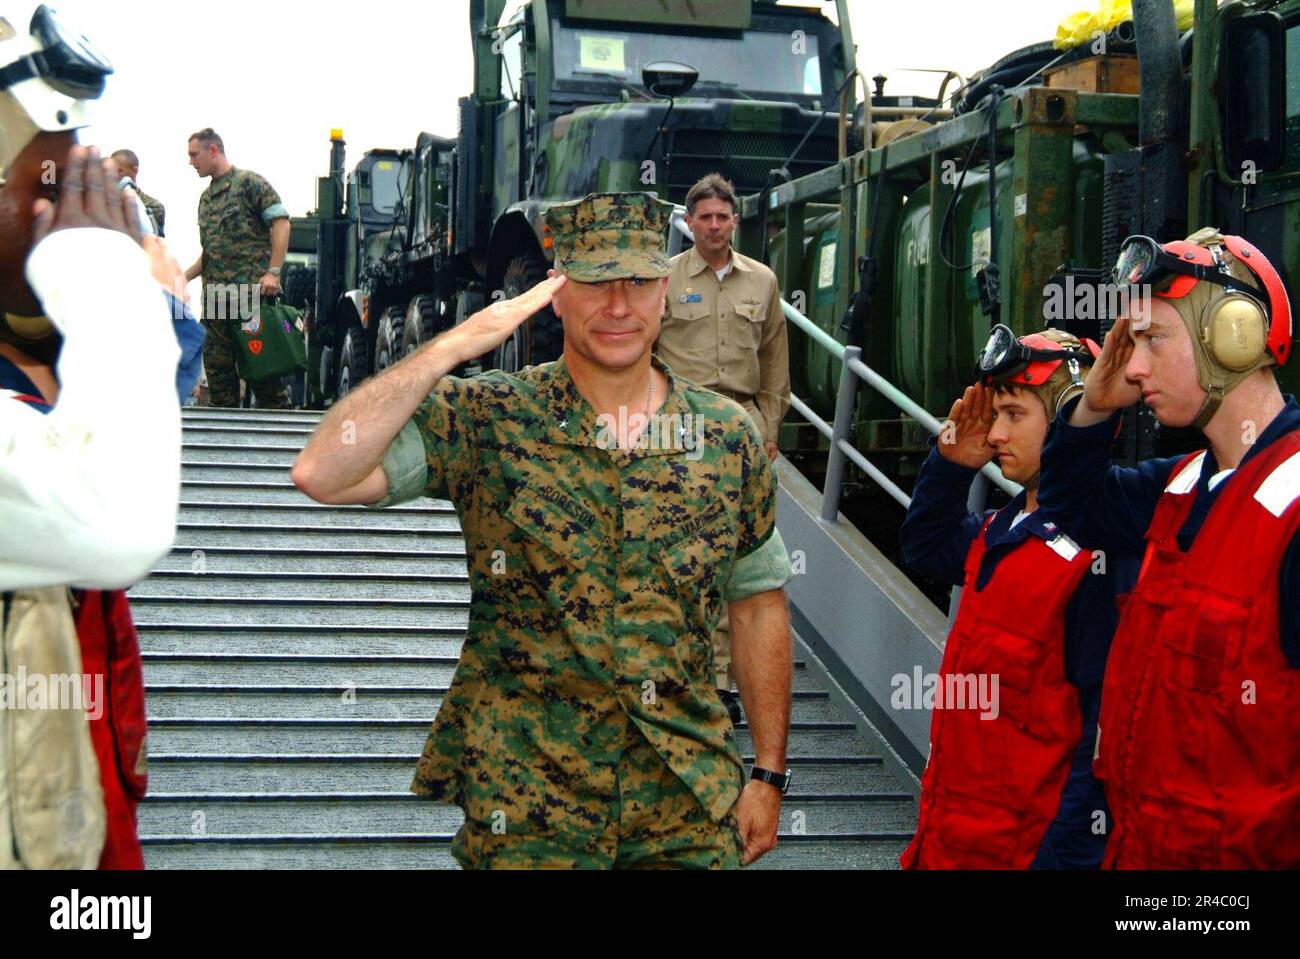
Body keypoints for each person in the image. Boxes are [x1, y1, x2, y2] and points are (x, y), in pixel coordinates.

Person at [293, 192, 795, 869]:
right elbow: (323, 470)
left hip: (684, 806)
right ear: (556, 294)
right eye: (593, 282)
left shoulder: (726, 437)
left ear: (665, 292)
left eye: (639, 281)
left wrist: (767, 773)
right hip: (528, 812)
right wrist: (451, 348)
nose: (618, 305)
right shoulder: (492, 417)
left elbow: (759, 605)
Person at [1038, 227, 1300, 868]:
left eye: (1152, 339)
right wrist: (1093, 408)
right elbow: (1069, 509)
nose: (1132, 366)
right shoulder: (1182, 488)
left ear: (1232, 336)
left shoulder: (1293, 511)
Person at [1, 5, 186, 869]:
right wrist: (106, 283)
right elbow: (116, 519)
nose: (74, 215)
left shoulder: (56, 355)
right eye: (48, 188)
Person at [897, 328, 1134, 869]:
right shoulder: (999, 529)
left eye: (1014, 415)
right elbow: (926, 546)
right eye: (994, 413)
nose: (996, 432)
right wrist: (950, 465)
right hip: (948, 845)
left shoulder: (1095, 555)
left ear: (1072, 418)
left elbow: (1100, 741)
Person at [657, 173, 791, 723]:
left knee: (737, 557)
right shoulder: (662, 279)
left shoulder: (762, 282)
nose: (713, 226)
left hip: (741, 432)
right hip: (680, 428)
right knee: (682, 554)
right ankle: (688, 676)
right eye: (703, 217)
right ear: (689, 223)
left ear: (735, 221)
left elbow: (776, 358)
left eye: (723, 217)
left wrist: (771, 426)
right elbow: (641, 350)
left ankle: (724, 685)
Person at [182, 126, 291, 409]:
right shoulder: (206, 200)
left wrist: (273, 272)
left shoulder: (249, 184)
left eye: (194, 155)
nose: (191, 162)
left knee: (265, 378)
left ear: (213, 150)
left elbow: (281, 223)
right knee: (219, 382)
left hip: (250, 296)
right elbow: (212, 251)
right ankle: (223, 447)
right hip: (217, 300)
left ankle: (281, 448)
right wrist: (182, 278)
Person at [108, 148, 164, 236]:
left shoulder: (153, 206)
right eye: (111, 170)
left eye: (119, 170)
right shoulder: (105, 202)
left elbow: (156, 239)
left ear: (134, 171)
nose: (114, 174)